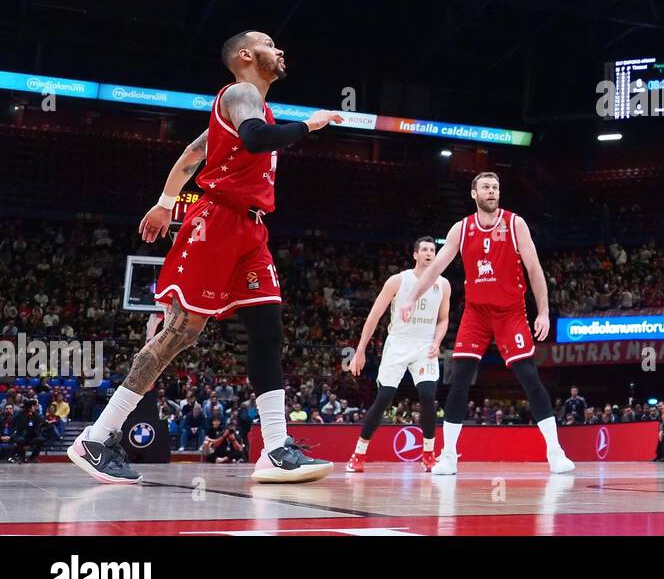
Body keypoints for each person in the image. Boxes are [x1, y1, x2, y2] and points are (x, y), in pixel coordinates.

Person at [69, 31, 337, 484]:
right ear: (247, 55)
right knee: (181, 334)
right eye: (272, 43)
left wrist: (163, 200)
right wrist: (309, 125)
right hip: (217, 224)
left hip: (251, 229)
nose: (282, 49)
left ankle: (275, 448)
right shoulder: (242, 92)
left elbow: (194, 152)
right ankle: (98, 435)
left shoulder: (243, 105)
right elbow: (257, 140)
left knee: (267, 327)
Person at [398, 172, 574, 475]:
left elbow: (534, 269)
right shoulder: (461, 229)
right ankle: (449, 456)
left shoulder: (515, 223)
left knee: (529, 378)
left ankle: (555, 452)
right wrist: (412, 297)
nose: (491, 192)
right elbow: (436, 267)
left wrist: (543, 311)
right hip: (476, 313)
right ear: (474, 194)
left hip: (511, 312)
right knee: (460, 380)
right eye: (485, 188)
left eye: (495, 187)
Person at [346, 237, 451, 473]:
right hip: (398, 344)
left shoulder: (443, 284)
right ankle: (358, 454)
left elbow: (444, 319)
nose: (428, 253)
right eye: (423, 249)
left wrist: (437, 341)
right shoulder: (398, 280)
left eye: (432, 250)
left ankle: (428, 453)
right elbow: (374, 315)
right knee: (384, 397)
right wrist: (360, 350)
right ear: (415, 255)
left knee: (427, 394)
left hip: (425, 346)